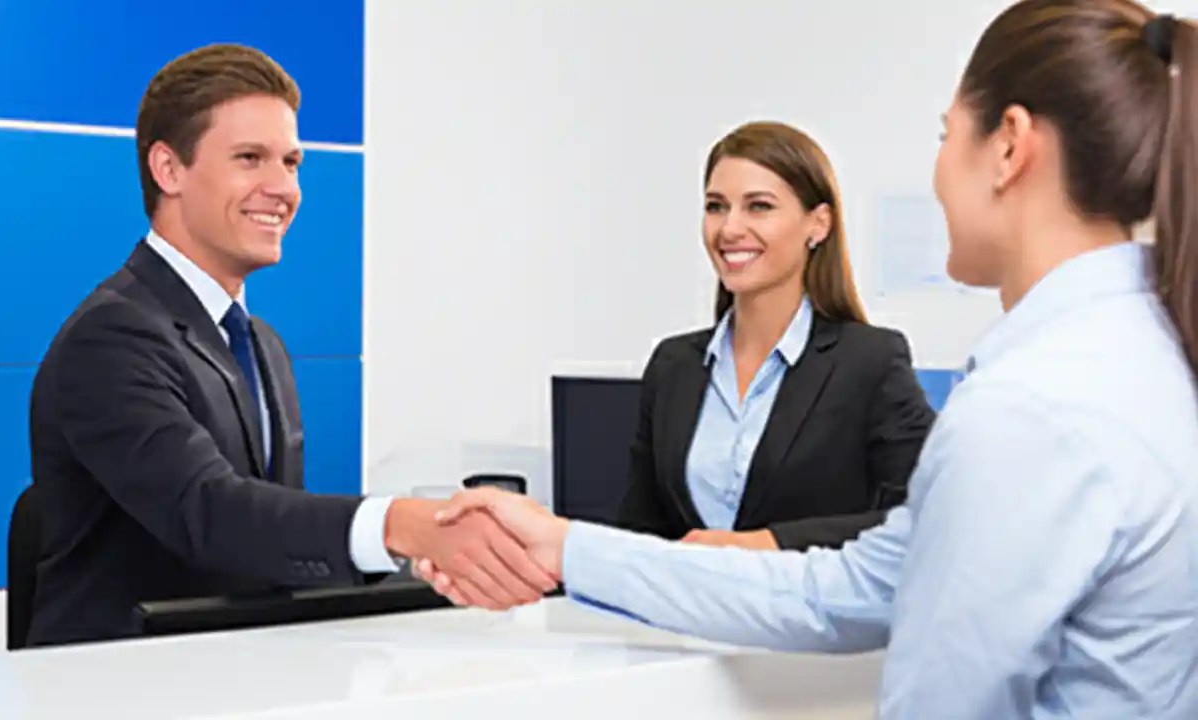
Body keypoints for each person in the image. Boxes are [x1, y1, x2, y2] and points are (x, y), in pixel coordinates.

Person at [422, 1, 1198, 716]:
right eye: (717, 204)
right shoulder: (1133, 361)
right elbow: (849, 587)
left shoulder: (1033, 408)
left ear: (1009, 147)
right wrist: (560, 543)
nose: (732, 227)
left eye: (944, 135)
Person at [26, 43, 554, 647]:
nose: (283, 188)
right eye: (250, 158)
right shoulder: (113, 338)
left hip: (241, 674)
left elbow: (271, 540)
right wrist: (399, 524)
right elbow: (213, 513)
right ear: (168, 170)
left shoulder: (260, 345)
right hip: (115, 689)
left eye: (292, 162)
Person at [618, 121, 934, 552]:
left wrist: (766, 544)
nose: (729, 229)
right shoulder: (674, 364)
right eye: (716, 206)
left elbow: (925, 517)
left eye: (759, 206)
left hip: (803, 615)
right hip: (685, 618)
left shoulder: (869, 361)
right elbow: (638, 533)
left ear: (818, 224)